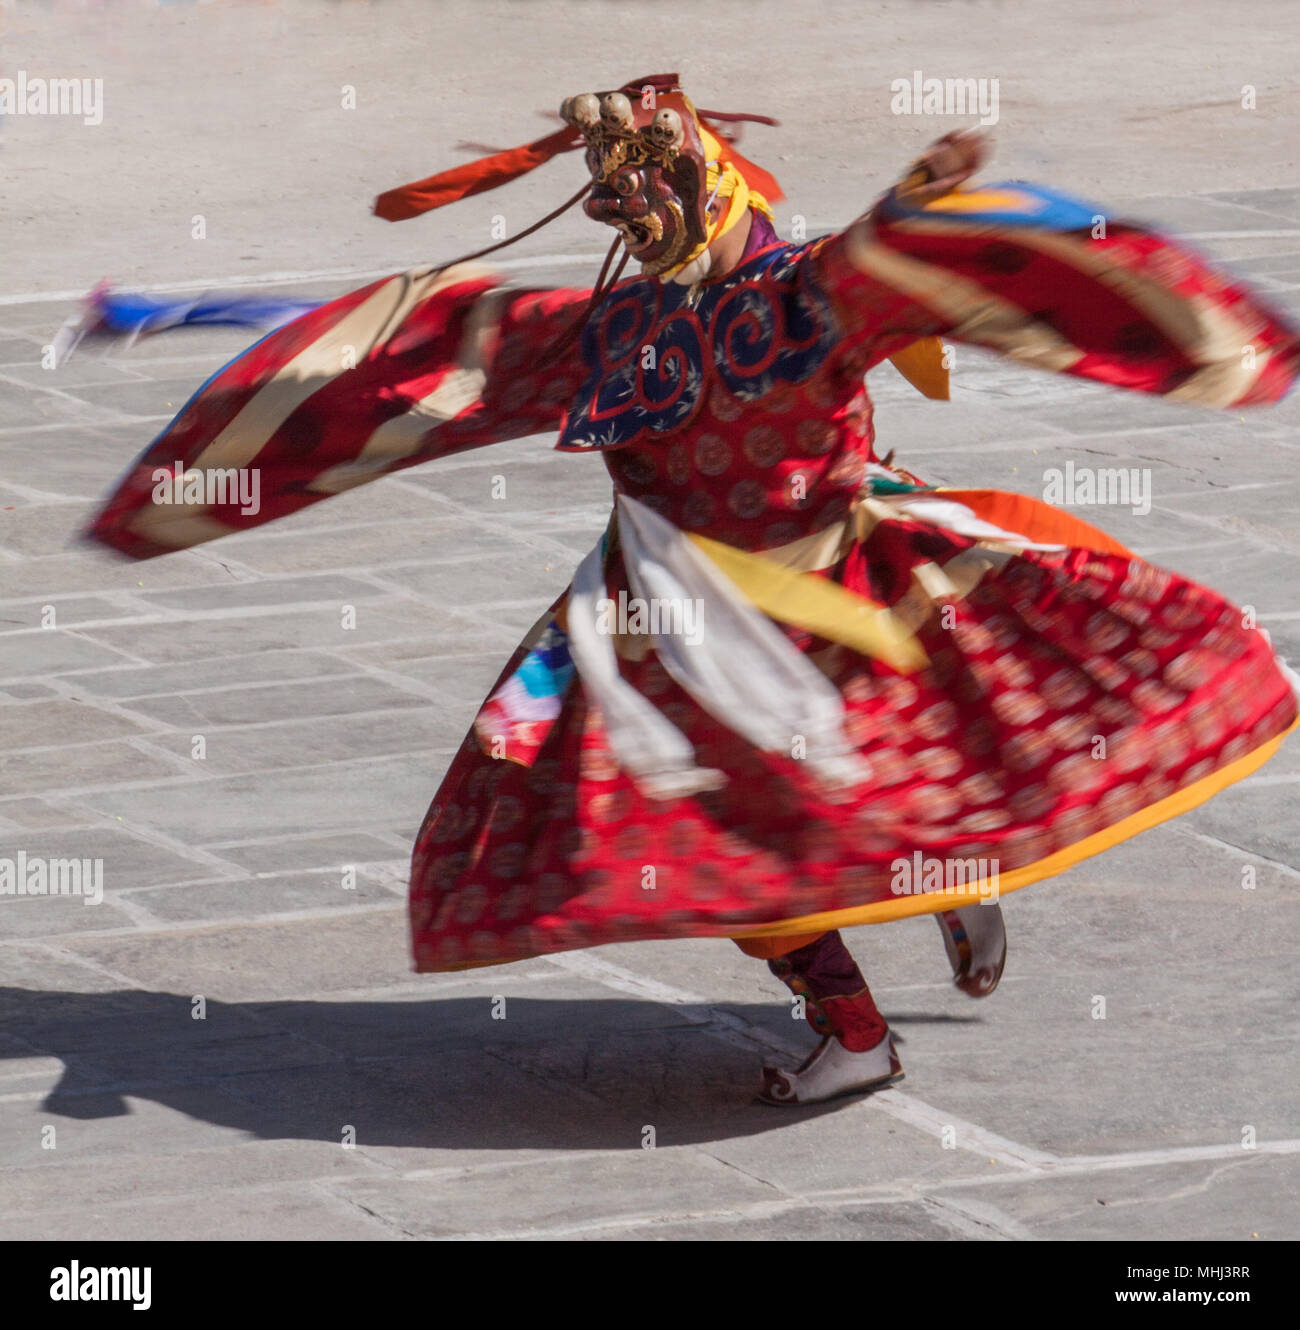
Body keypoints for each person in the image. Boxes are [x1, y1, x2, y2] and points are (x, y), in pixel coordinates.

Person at [83, 74, 1299, 1106]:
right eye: (623, 191)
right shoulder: (605, 332)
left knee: (876, 775)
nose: (642, 207)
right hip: (678, 621)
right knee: (703, 833)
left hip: (851, 582)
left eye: (660, 181)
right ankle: (864, 1020)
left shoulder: (813, 294)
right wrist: (200, 309)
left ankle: (940, 900)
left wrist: (929, 192)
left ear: (713, 181)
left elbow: (920, 250)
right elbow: (406, 348)